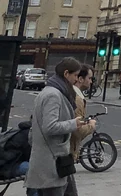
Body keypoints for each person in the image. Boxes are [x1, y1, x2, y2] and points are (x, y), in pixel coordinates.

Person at [27, 58, 95, 196]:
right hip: (52, 162)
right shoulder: (53, 95)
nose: (77, 79)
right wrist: (73, 123)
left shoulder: (55, 92)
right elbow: (49, 127)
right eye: (75, 75)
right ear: (66, 74)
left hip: (59, 160)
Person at [70, 66, 92, 160]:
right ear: (80, 79)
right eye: (89, 78)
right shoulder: (77, 99)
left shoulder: (72, 94)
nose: (91, 81)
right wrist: (91, 126)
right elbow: (77, 129)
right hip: (67, 152)